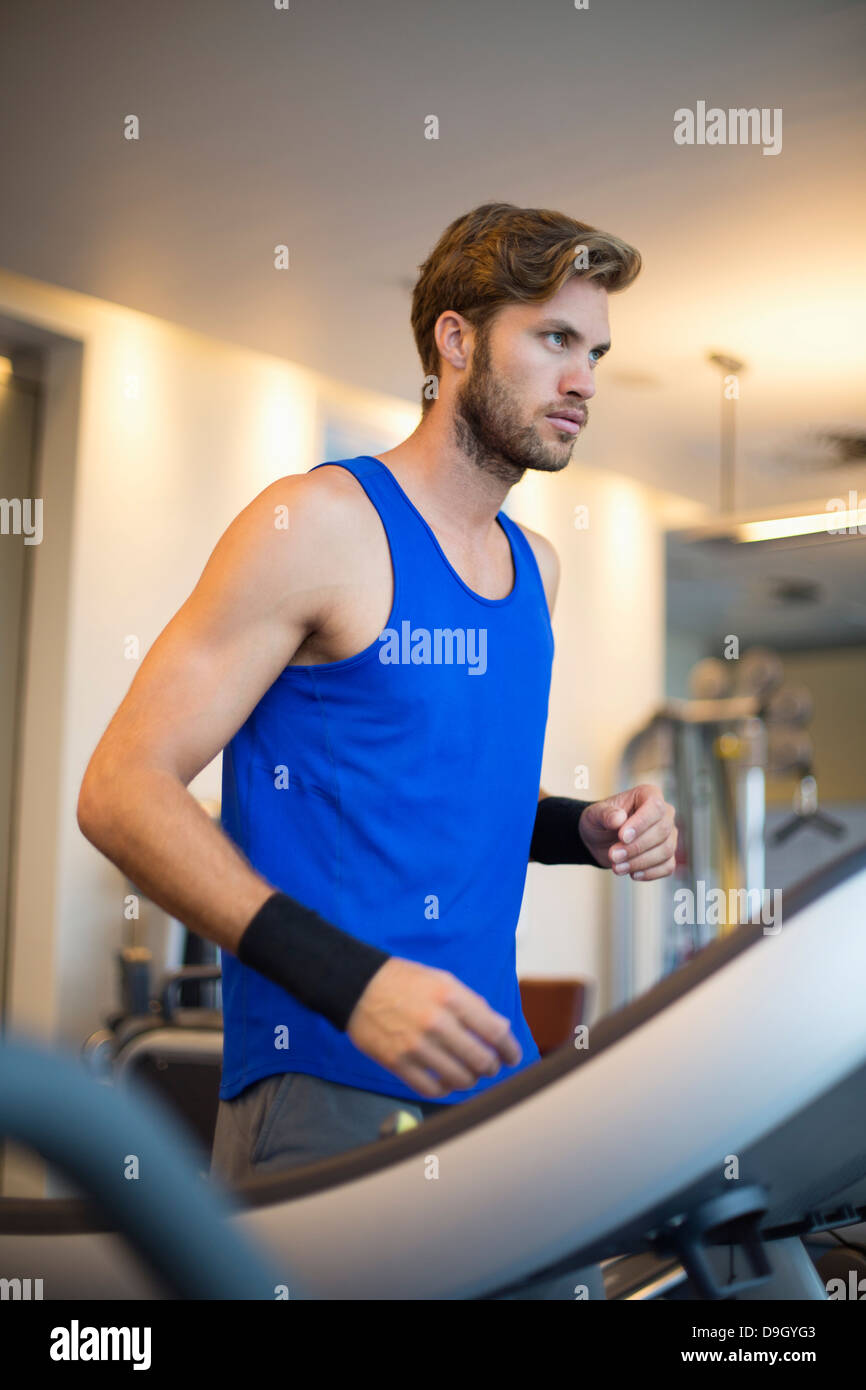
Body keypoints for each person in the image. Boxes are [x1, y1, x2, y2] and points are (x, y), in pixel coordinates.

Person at [78, 201, 678, 1299]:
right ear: (454, 342)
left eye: (594, 351)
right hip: (324, 1086)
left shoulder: (534, 568)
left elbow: (436, 787)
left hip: (498, 1078)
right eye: (552, 339)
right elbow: (120, 789)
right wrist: (352, 986)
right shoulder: (315, 524)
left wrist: (577, 829)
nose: (583, 377)